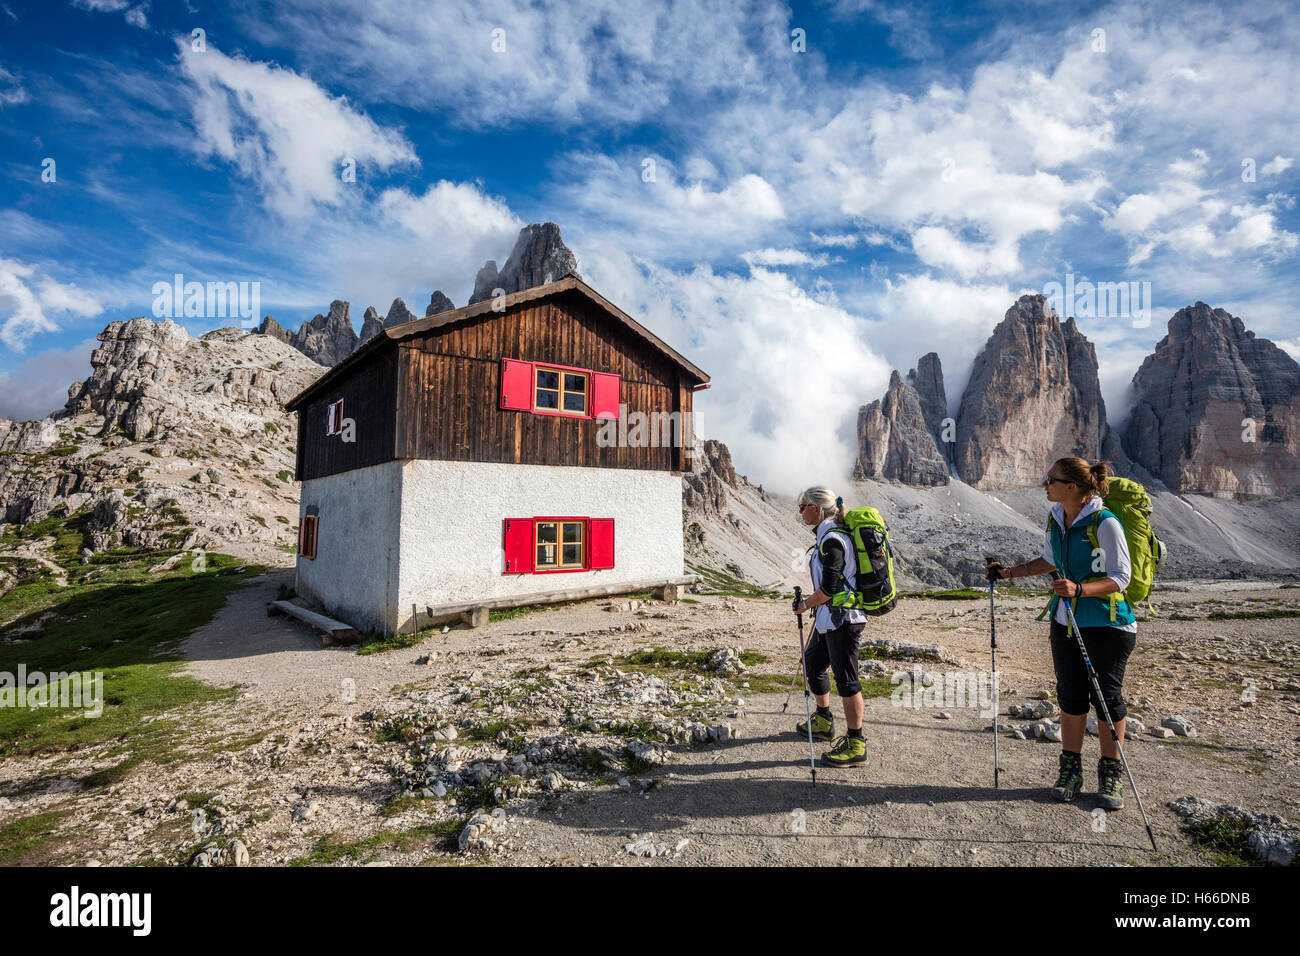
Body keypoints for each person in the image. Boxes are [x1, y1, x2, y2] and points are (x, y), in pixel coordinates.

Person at [984, 458, 1136, 810]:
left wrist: (1079, 590)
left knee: (1107, 698)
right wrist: (1007, 574)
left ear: (1072, 487)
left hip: (1108, 624)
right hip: (1065, 620)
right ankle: (1070, 770)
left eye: (1051, 479)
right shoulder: (1056, 517)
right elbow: (1049, 560)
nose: (1045, 484)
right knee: (1070, 694)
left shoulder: (1105, 523)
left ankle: (1111, 774)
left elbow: (1121, 577)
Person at [792, 486, 868, 768]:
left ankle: (856, 744)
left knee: (847, 680)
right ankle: (824, 720)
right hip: (830, 619)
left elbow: (829, 587)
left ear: (817, 508)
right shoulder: (828, 536)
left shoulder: (833, 539)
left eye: (803, 506)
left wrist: (806, 605)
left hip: (844, 620)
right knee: (812, 663)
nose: (800, 512)